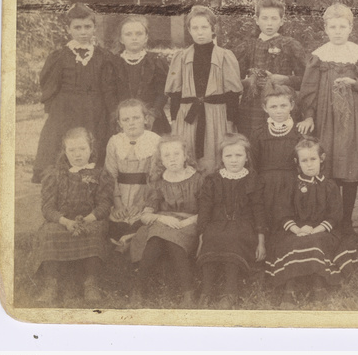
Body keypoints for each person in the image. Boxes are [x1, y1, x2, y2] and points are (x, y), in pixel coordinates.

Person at [297, 3, 358, 235]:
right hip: (327, 117)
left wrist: (354, 83)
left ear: (351, 28)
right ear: (325, 28)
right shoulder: (319, 56)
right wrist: (309, 116)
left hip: (352, 118)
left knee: (351, 167)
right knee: (330, 164)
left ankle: (347, 222)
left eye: (342, 27)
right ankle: (330, 219)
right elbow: (308, 90)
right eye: (332, 27)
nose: (337, 32)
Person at [33, 3, 117, 183]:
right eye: (77, 27)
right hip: (65, 111)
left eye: (87, 27)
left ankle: (91, 187)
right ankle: (63, 186)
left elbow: (108, 87)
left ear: (94, 28)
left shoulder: (104, 56)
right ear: (68, 29)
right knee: (64, 147)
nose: (83, 32)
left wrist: (112, 113)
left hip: (95, 111)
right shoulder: (59, 56)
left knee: (93, 145)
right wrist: (52, 111)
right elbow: (49, 85)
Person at [34, 128, 114, 305]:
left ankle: (90, 283)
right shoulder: (55, 174)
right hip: (62, 220)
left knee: (94, 233)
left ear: (91, 149)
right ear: (65, 151)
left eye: (82, 149)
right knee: (50, 233)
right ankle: (51, 284)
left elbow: (104, 204)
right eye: (72, 150)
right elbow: (47, 208)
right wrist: (65, 221)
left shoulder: (100, 174)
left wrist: (89, 218)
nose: (77, 154)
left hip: (90, 219)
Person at [264, 139, 346, 309]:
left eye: (313, 159)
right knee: (292, 243)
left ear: (321, 158)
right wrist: (297, 229)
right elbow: (282, 212)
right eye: (304, 160)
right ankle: (289, 288)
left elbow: (334, 215)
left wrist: (315, 230)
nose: (309, 164)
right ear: (297, 162)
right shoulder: (291, 185)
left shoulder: (330, 186)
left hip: (321, 230)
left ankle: (318, 285)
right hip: (295, 230)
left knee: (316, 242)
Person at [165, 5, 243, 174]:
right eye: (195, 28)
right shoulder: (181, 57)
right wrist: (175, 123)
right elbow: (175, 94)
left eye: (204, 27)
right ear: (189, 30)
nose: (200, 32)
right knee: (189, 158)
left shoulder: (225, 56)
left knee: (215, 158)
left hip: (217, 116)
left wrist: (230, 123)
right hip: (188, 117)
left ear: (213, 29)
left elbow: (232, 95)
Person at [128, 136, 203, 307]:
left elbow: (206, 211)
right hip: (164, 221)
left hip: (189, 222)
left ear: (185, 156)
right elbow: (146, 215)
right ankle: (139, 289)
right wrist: (162, 218)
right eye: (167, 155)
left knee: (173, 242)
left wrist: (186, 223)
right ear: (161, 159)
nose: (172, 159)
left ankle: (188, 292)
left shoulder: (198, 179)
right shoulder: (159, 182)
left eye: (176, 154)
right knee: (155, 239)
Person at [196, 134, 266, 309]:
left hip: (243, 226)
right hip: (217, 224)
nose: (234, 160)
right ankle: (206, 291)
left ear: (247, 157)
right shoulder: (212, 180)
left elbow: (259, 211)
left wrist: (261, 242)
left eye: (238, 155)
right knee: (212, 236)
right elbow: (204, 209)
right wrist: (201, 235)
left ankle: (230, 292)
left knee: (233, 237)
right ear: (221, 158)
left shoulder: (252, 179)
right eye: (228, 156)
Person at [235, 0, 308, 142]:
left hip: (282, 105)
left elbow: (306, 80)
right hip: (252, 109)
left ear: (281, 21)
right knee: (253, 143)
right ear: (257, 20)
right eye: (265, 18)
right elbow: (233, 81)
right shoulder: (248, 46)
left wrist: (285, 80)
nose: (269, 23)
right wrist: (249, 82)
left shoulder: (290, 45)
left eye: (274, 18)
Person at [105, 99, 161, 243]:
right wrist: (118, 205)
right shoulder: (115, 142)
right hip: (120, 197)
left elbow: (156, 178)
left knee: (140, 227)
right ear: (119, 123)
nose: (131, 123)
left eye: (136, 118)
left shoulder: (154, 141)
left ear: (145, 119)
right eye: (126, 119)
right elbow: (110, 176)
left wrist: (141, 204)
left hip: (144, 197)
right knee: (115, 227)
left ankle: (131, 242)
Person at [252, 84, 303, 236]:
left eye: (283, 105)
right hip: (265, 184)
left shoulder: (299, 132)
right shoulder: (259, 133)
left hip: (292, 183)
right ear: (265, 108)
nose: (279, 110)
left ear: (291, 105)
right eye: (273, 106)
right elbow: (253, 162)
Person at [112, 15, 171, 135]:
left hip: (151, 120)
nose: (134, 38)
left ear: (146, 38)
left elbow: (162, 92)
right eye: (128, 34)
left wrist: (152, 114)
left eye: (139, 34)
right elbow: (109, 93)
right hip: (123, 120)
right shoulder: (113, 63)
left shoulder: (156, 61)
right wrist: (119, 116)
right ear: (121, 39)